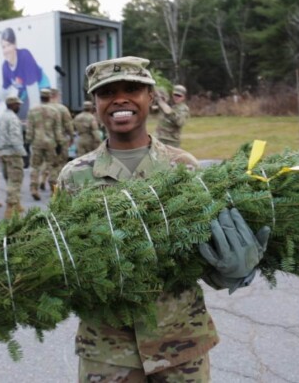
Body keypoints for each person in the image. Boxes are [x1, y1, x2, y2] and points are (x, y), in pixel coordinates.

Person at [57, 56, 270, 381]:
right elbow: (60, 257)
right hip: (107, 351)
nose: (120, 100)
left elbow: (204, 252)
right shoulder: (74, 176)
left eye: (132, 89)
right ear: (95, 103)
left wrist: (232, 270)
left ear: (151, 97)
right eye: (107, 93)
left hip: (180, 343)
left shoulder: (183, 167)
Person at [0, 27, 51, 121]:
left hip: (40, 87)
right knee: (15, 113)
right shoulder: (5, 66)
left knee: (27, 114)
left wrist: (33, 118)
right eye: (3, 47)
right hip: (25, 91)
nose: (6, 50)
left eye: (9, 45)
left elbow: (33, 91)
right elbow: (4, 90)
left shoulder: (24, 56)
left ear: (15, 45)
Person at [26, 89, 63, 200]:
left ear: (40, 97)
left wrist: (28, 141)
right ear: (49, 97)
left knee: (35, 166)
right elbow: (57, 129)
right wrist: (59, 143)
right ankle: (53, 190)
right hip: (50, 142)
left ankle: (34, 188)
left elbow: (29, 128)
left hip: (37, 142)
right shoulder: (54, 111)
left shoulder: (33, 111)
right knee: (53, 166)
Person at [0, 95, 28, 219]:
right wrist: (22, 152)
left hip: (3, 152)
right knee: (15, 180)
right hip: (13, 153)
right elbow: (15, 137)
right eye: (18, 105)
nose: (19, 107)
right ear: (13, 105)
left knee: (9, 179)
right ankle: (10, 208)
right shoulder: (13, 118)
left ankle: (17, 204)